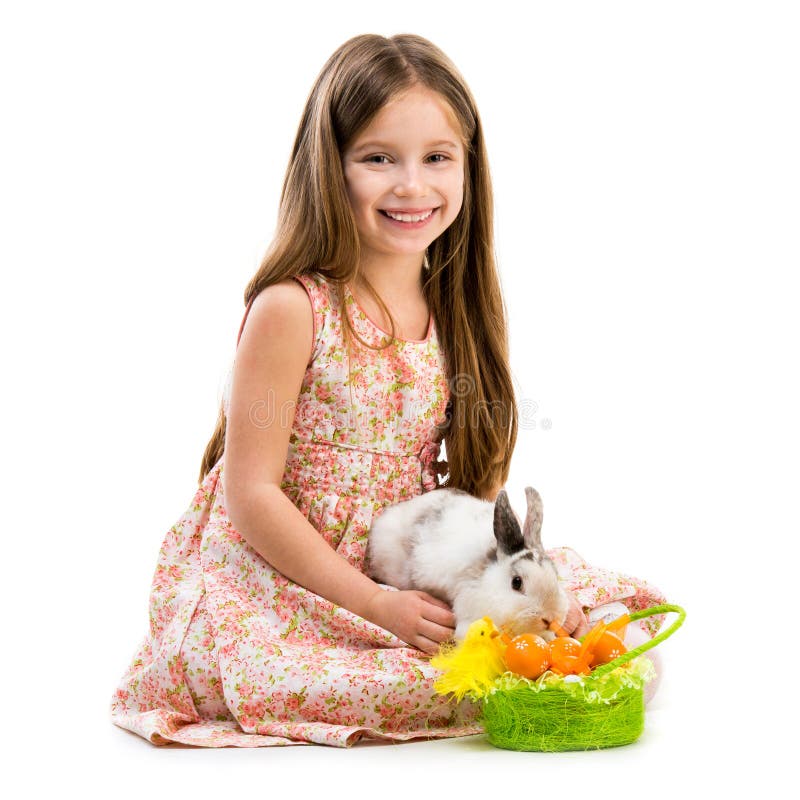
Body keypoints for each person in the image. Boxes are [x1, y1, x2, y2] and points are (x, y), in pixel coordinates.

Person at [110, 32, 665, 748]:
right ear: (330, 167)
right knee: (430, 682)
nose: (412, 185)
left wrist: (525, 603)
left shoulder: (453, 307)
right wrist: (376, 604)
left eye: (437, 158)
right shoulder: (293, 309)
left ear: (469, 168)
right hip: (299, 574)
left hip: (412, 557)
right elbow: (251, 496)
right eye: (379, 158)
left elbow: (473, 491)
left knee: (609, 620)